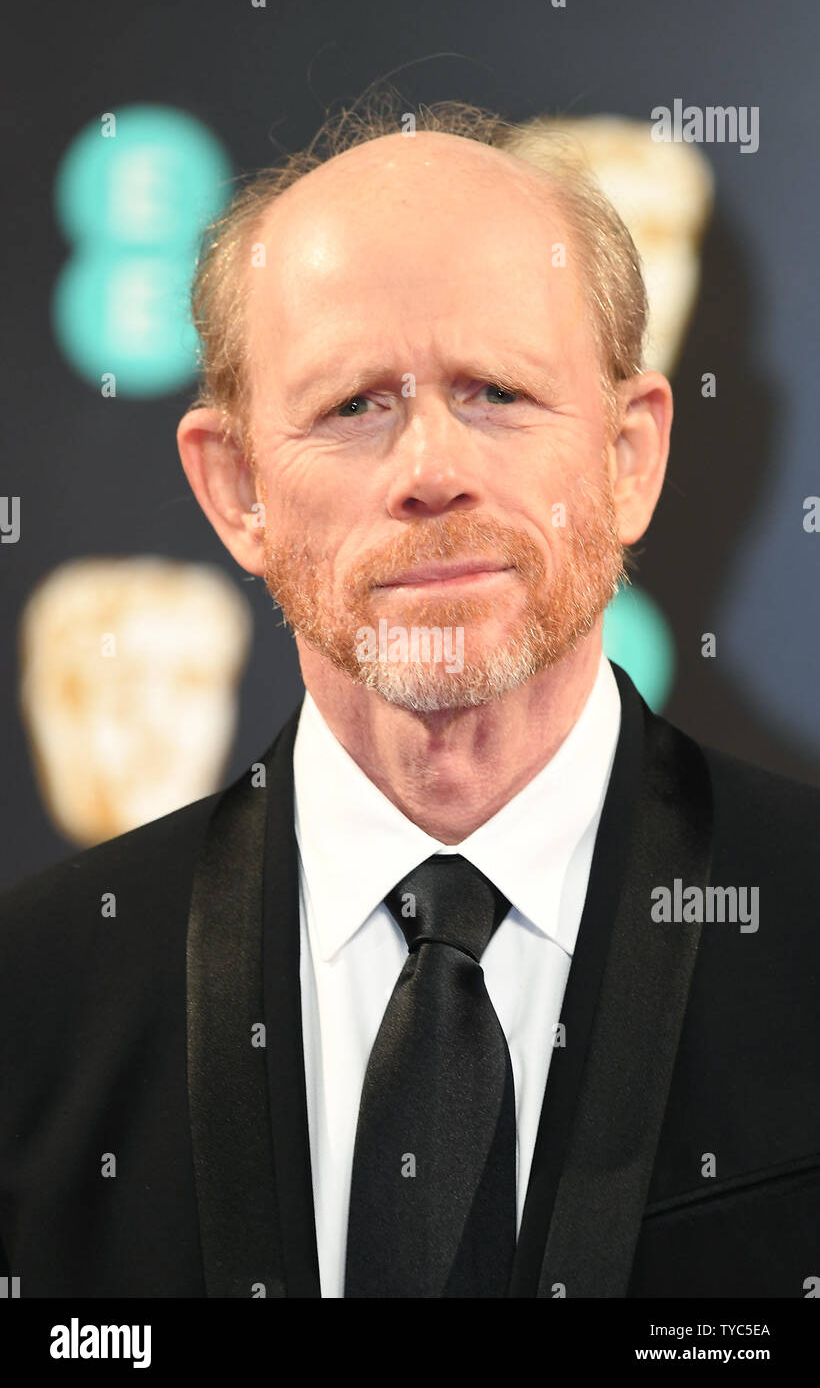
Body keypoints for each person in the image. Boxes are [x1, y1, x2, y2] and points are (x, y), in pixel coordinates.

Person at [1, 96, 818, 1300]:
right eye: (353, 406)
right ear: (235, 491)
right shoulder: (34, 999)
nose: (432, 470)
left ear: (630, 456)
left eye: (494, 391)